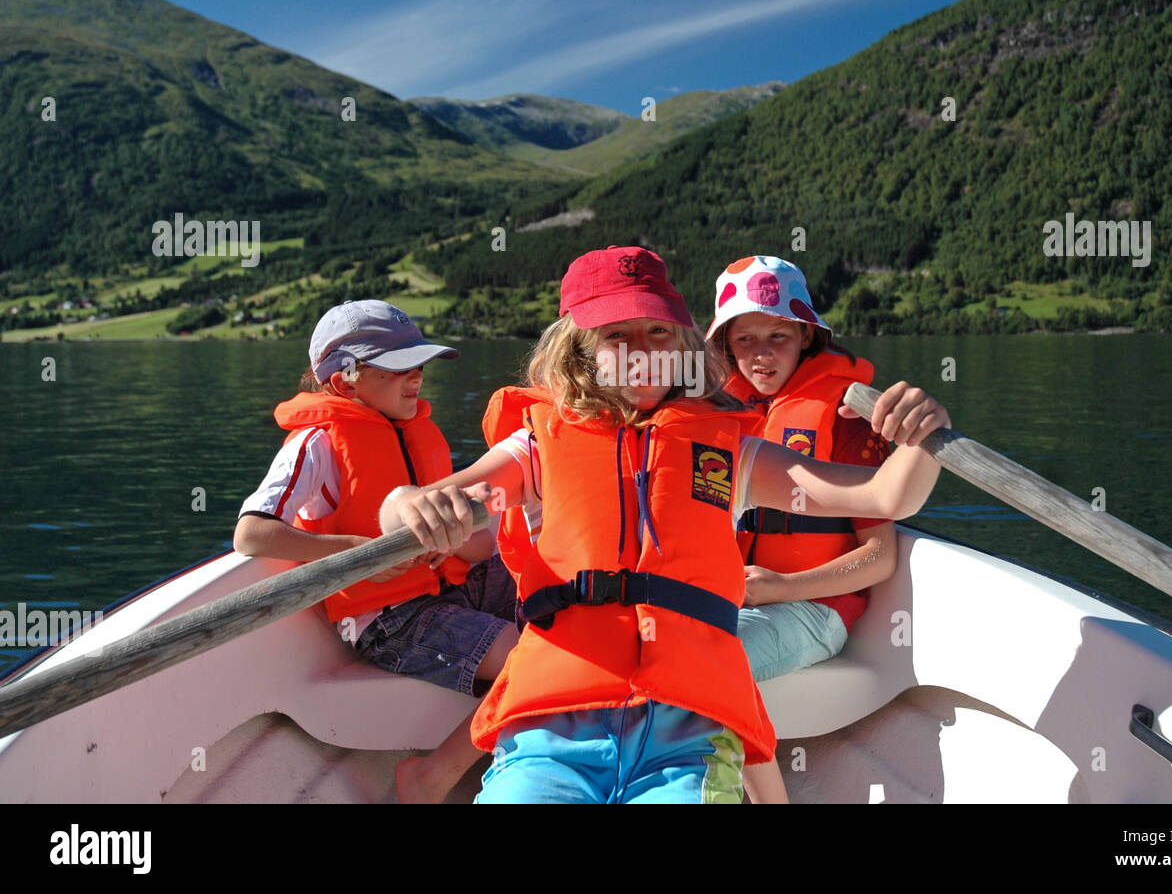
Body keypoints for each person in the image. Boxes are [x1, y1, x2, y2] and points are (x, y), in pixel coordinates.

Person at [381, 246, 950, 804]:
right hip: (554, 730)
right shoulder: (533, 447)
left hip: (688, 733)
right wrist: (406, 502)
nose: (643, 353)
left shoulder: (730, 451)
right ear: (579, 351)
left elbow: (886, 495)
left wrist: (922, 436)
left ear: (682, 345)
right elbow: (428, 503)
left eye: (658, 333)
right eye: (616, 336)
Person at [231, 299, 517, 803]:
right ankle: (432, 777)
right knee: (533, 657)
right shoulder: (317, 443)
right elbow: (252, 534)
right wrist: (353, 549)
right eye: (398, 369)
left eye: (420, 365)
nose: (417, 378)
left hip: (448, 584)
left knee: (573, 606)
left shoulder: (413, 429)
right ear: (344, 382)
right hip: (389, 620)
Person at [708, 255, 901, 803]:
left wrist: (780, 587)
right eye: (744, 339)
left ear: (806, 338)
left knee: (705, 668)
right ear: (724, 346)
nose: (761, 354)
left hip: (817, 611)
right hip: (732, 601)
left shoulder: (847, 424)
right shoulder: (721, 416)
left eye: (779, 336)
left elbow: (881, 556)